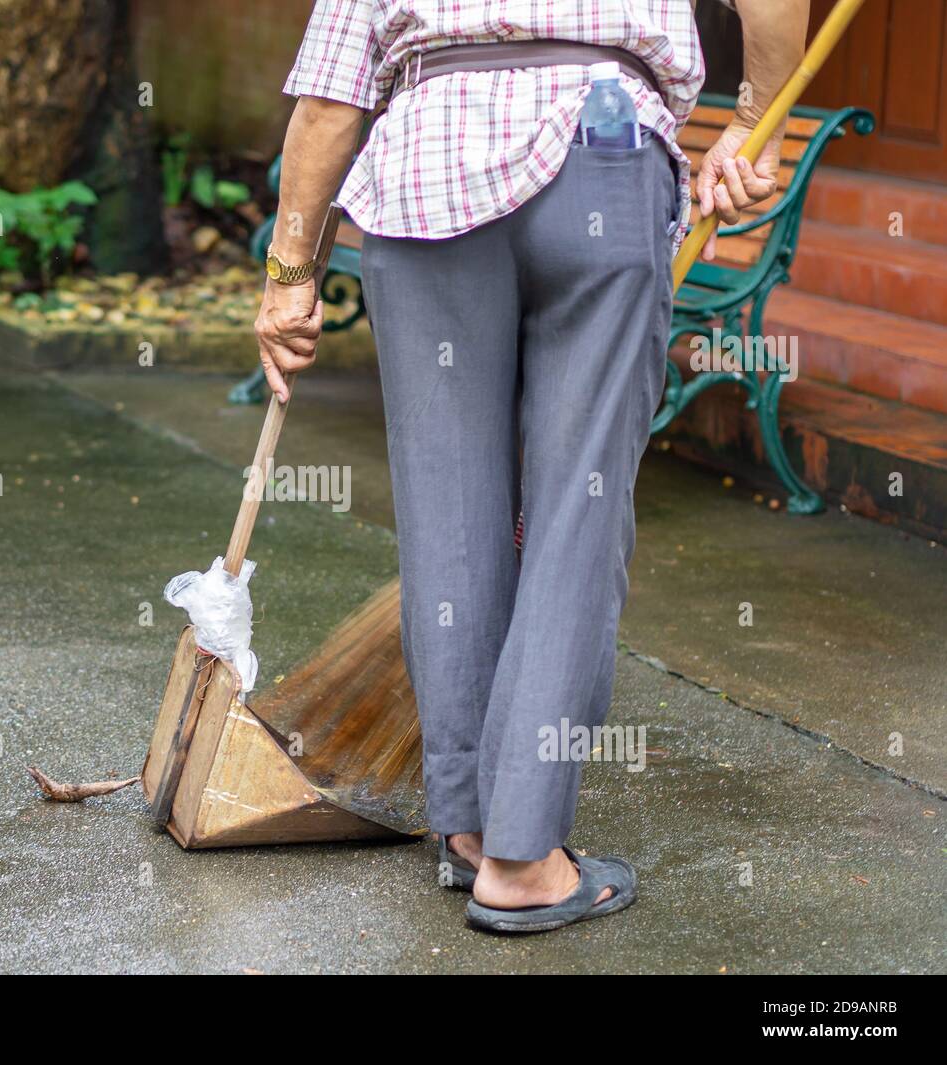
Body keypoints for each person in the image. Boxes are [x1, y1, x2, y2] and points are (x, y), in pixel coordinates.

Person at [254, 0, 808, 933]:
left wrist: (288, 275)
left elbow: (330, 101)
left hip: (426, 164)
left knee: (447, 513)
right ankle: (520, 860)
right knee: (576, 513)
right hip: (598, 150)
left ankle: (471, 829)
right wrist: (757, 120)